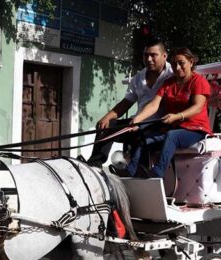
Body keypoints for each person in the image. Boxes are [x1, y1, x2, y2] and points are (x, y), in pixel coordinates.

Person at [126, 47, 212, 178]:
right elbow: (154, 105)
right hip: (174, 128)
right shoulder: (169, 83)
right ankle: (131, 172)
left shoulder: (199, 81)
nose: (177, 67)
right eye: (174, 64)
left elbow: (197, 107)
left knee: (172, 135)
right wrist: (137, 119)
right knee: (143, 138)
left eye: (181, 63)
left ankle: (157, 172)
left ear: (191, 62)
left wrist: (177, 116)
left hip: (196, 129)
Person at [87, 40, 173, 166]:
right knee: (107, 127)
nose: (148, 59)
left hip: (159, 125)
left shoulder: (172, 75)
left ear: (164, 56)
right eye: (145, 55)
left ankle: (136, 170)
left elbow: (156, 106)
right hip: (137, 123)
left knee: (140, 137)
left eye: (153, 55)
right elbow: (126, 103)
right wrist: (106, 118)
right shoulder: (139, 77)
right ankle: (94, 165)